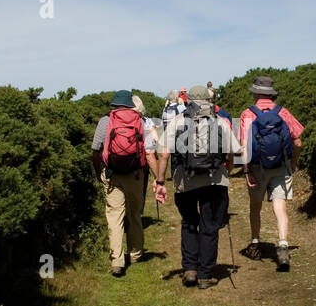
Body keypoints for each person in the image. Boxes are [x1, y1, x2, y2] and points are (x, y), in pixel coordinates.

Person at [155, 84, 237, 290]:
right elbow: (232, 153)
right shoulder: (221, 122)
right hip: (214, 181)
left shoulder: (177, 121)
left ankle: (190, 269)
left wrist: (160, 181)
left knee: (189, 222)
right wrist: (228, 171)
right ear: (209, 100)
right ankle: (204, 274)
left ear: (188, 100)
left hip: (185, 181)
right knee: (209, 226)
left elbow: (163, 154)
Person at [91, 90, 160, 277]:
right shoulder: (139, 120)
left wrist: (99, 174)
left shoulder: (105, 121)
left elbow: (95, 152)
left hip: (112, 174)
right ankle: (136, 254)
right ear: (130, 105)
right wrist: (157, 178)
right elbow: (148, 152)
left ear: (114, 104)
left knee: (115, 217)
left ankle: (117, 260)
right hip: (135, 175)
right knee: (135, 214)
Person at [239, 75, 304, 271]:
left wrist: (247, 170)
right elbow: (298, 141)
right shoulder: (283, 112)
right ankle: (283, 245)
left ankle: (256, 242)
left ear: (256, 93)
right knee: (280, 207)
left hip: (258, 166)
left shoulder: (247, 114)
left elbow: (244, 146)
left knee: (255, 206)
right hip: (281, 167)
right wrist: (293, 163)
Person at [132, 95, 159, 209]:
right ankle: (137, 218)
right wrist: (158, 177)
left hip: (118, 165)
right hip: (139, 167)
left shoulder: (114, 119)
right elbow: (150, 150)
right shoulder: (146, 121)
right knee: (139, 194)